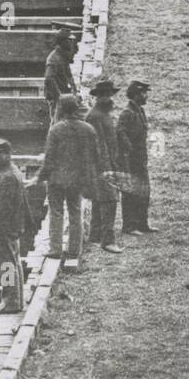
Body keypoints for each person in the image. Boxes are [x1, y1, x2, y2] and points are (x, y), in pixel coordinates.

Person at [35, 95, 99, 260]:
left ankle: (55, 249)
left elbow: (49, 160)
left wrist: (39, 177)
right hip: (77, 180)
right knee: (75, 212)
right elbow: (94, 156)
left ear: (61, 110)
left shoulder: (55, 130)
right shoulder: (88, 129)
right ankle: (74, 251)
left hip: (56, 180)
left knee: (56, 212)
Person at [0, 139, 33, 314]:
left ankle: (10, 301)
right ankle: (14, 299)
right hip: (9, 227)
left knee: (6, 265)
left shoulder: (8, 176)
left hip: (4, 228)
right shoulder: (8, 171)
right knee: (12, 262)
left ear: (5, 155)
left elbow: (4, 210)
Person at [84, 79, 123, 253]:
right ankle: (108, 241)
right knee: (110, 200)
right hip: (100, 166)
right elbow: (100, 146)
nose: (111, 99)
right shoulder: (95, 116)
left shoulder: (103, 114)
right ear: (99, 97)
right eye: (107, 95)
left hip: (104, 164)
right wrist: (107, 168)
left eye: (110, 95)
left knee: (100, 199)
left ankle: (95, 234)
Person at [118, 80, 155, 234]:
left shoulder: (139, 111)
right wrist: (129, 150)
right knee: (131, 193)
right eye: (144, 93)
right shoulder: (128, 113)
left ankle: (142, 223)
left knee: (144, 191)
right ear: (137, 95)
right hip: (131, 160)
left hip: (140, 159)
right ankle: (129, 226)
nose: (146, 96)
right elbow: (120, 133)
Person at [43, 29, 78, 119]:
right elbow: (48, 79)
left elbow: (68, 74)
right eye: (68, 40)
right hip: (56, 97)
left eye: (71, 41)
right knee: (56, 120)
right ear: (62, 42)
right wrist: (59, 96)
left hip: (64, 93)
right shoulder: (53, 59)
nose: (71, 43)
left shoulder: (63, 55)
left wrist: (74, 90)